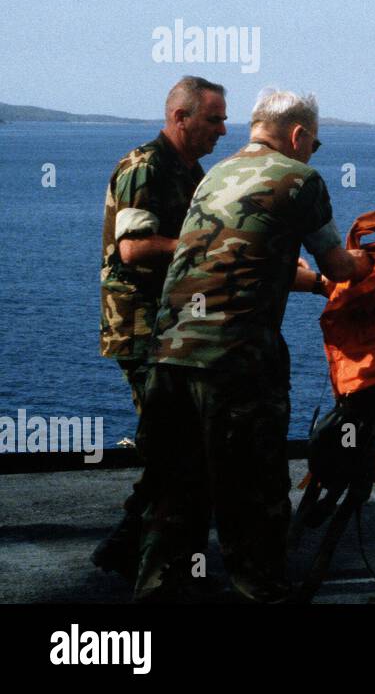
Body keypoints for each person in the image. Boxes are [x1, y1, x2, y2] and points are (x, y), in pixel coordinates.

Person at [133, 88, 371, 602]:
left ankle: (158, 593)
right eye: (315, 142)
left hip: (170, 356)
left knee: (174, 492)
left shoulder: (213, 176)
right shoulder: (300, 179)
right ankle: (259, 590)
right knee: (252, 493)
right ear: (298, 135)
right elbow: (338, 266)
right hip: (237, 360)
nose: (313, 152)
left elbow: (238, 259)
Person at [93, 76, 228, 579]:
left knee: (179, 438)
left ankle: (138, 543)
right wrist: (215, 247)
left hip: (174, 326)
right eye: (213, 119)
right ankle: (144, 549)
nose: (223, 129)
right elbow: (135, 248)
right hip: (142, 326)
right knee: (174, 441)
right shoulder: (144, 167)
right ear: (181, 118)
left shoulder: (190, 170)